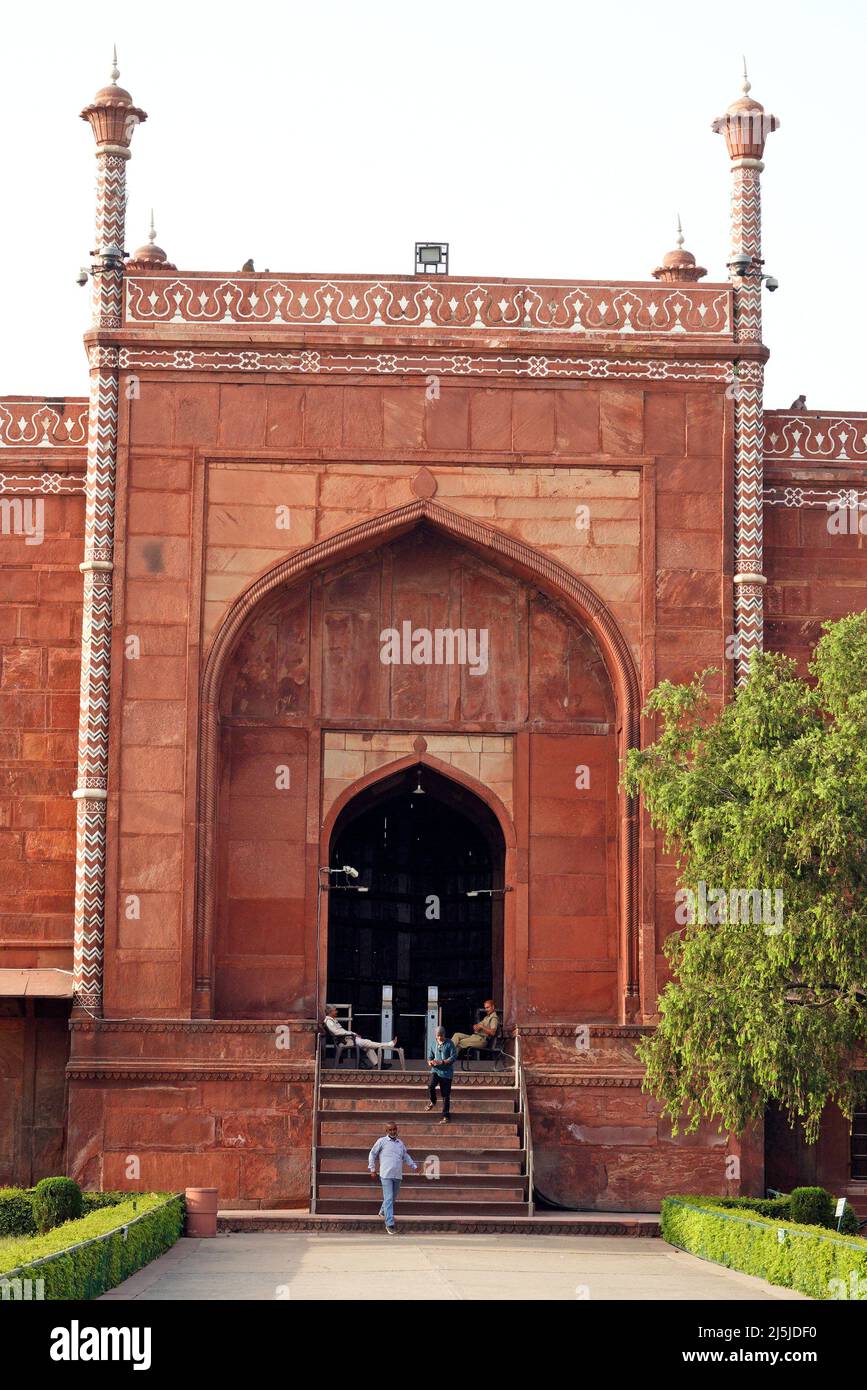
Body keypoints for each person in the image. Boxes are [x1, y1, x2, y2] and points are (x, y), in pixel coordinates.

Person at [368, 1122, 417, 1233]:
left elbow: (406, 1156)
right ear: (386, 1131)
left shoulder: (400, 1143)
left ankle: (382, 1211)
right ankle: (389, 1224)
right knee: (389, 1198)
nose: (393, 1132)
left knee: (392, 1198)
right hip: (386, 1175)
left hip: (397, 1175)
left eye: (394, 1129)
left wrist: (414, 1166)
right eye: (390, 1130)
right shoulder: (382, 1141)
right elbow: (372, 1154)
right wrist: (372, 1168)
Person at [323, 1005, 396, 1069]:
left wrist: (352, 1034)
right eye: (335, 1010)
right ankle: (388, 1044)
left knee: (368, 1046)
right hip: (344, 1041)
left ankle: (378, 1064)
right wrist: (352, 1033)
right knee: (367, 1042)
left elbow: (340, 1032)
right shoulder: (329, 1021)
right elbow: (337, 1032)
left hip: (348, 1039)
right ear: (330, 1012)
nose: (337, 1012)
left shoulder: (332, 1020)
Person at [426, 1025, 456, 1123]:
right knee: (431, 1085)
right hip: (435, 1071)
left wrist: (442, 1062)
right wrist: (430, 1062)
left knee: (445, 1095)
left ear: (444, 1035)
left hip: (446, 1073)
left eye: (441, 1035)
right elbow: (430, 1056)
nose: (439, 1038)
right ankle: (433, 1101)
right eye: (438, 1036)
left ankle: (446, 1116)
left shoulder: (450, 1043)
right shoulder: (433, 1044)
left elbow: (453, 1057)